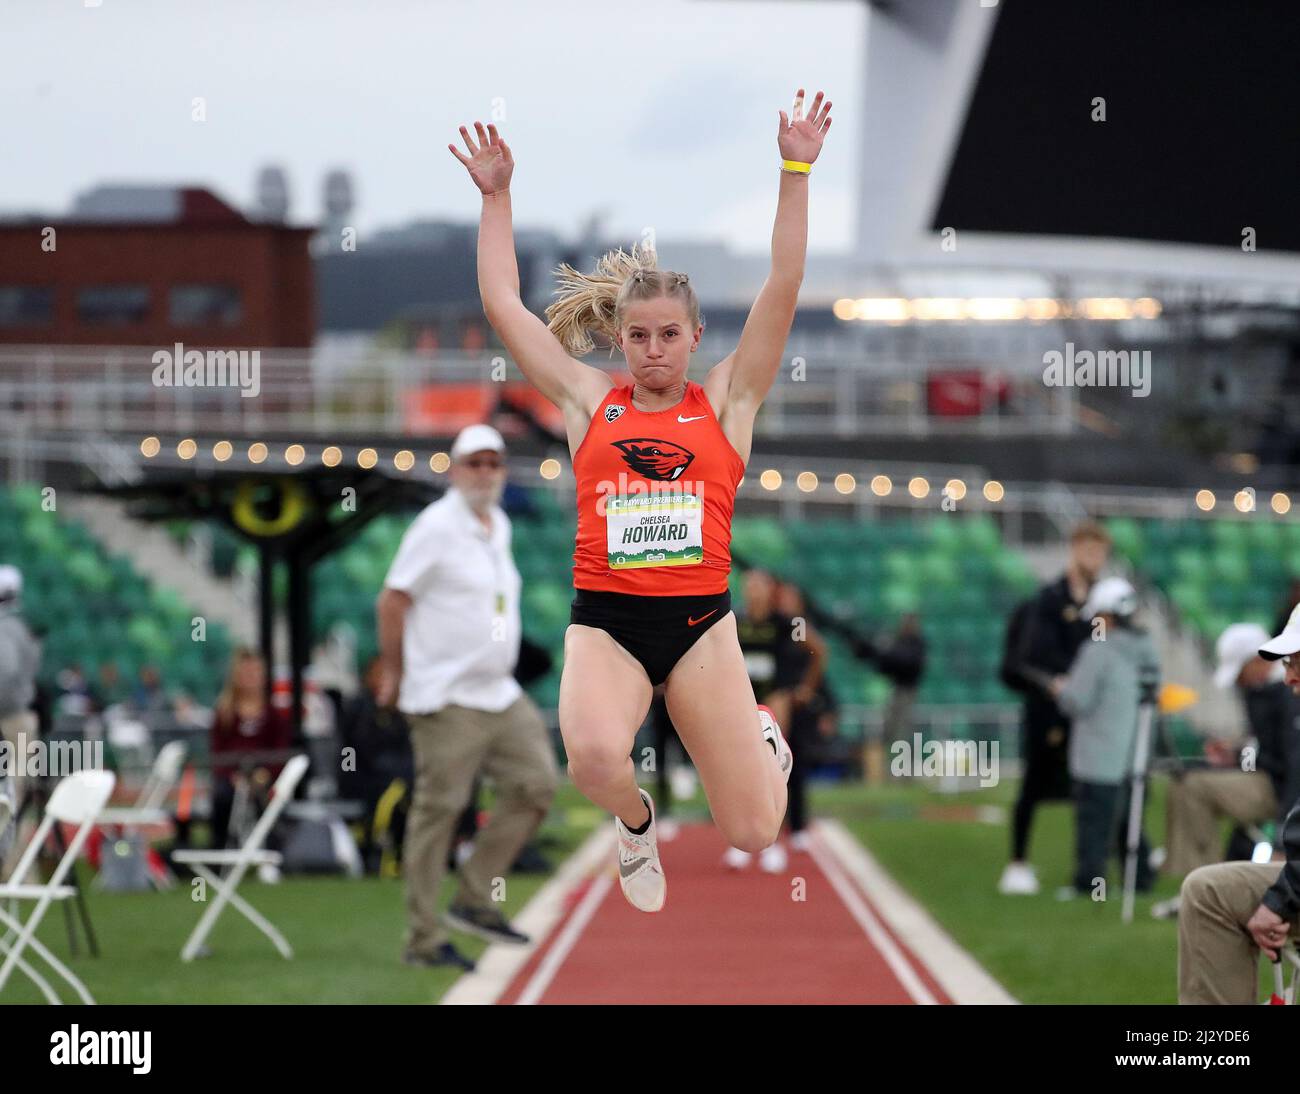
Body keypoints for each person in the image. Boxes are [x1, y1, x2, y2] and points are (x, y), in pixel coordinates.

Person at [448, 87, 832, 912]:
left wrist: (795, 170)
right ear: (619, 339)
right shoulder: (590, 401)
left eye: (669, 335)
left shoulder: (728, 403)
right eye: (638, 336)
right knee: (589, 754)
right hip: (608, 622)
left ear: (695, 337)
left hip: (701, 626)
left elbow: (786, 281)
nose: (653, 351)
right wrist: (497, 199)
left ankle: (762, 739)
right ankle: (635, 821)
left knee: (755, 832)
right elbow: (503, 306)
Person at [377, 423, 560, 970]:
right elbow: (393, 600)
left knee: (537, 785)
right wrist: (394, 672)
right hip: (447, 693)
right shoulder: (436, 526)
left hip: (497, 691)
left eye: (493, 464)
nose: (484, 473)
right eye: (474, 463)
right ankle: (423, 939)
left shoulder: (496, 523)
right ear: (455, 470)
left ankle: (476, 897)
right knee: (440, 811)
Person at [1178, 604, 1300, 1004]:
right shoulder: (1272, 699)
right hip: (1277, 795)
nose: (1289, 676)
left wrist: (1280, 897)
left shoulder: (1281, 703)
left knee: (1206, 891)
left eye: (1296, 661)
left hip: (1274, 792)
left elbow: (1288, 771)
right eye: (1286, 663)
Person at [998, 520, 1111, 895]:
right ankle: (1017, 864)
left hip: (1087, 712)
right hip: (1047, 711)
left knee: (1088, 790)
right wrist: (1054, 683)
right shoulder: (1047, 600)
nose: (1095, 559)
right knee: (1033, 785)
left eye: (1101, 552)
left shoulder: (1101, 605)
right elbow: (1027, 658)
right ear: (1075, 549)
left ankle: (1088, 872)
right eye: (1090, 550)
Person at [1162, 623, 1300, 891]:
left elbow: (1295, 765)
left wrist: (1284, 837)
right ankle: (1198, 880)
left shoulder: (1286, 696)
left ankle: (1203, 883)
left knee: (1193, 787)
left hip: (1280, 791)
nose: (1237, 680)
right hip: (1271, 782)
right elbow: (1267, 750)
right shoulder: (1263, 693)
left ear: (1256, 661)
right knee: (1185, 780)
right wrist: (1237, 754)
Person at [1048, 576, 1160, 900]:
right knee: (1130, 821)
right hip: (1134, 754)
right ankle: (1140, 879)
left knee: (1095, 825)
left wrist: (1060, 688)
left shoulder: (1096, 651)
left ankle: (1090, 884)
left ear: (1107, 615)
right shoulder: (1146, 648)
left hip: (1098, 755)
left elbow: (1076, 700)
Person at [726, 573, 825, 871]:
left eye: (760, 586)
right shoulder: (735, 621)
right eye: (750, 586)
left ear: (770, 591)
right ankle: (742, 841)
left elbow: (818, 650)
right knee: (739, 770)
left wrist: (806, 688)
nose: (754, 592)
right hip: (743, 703)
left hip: (775, 703)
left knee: (776, 769)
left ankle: (778, 839)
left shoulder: (784, 623)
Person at [208, 648, 294, 854]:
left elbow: (280, 752)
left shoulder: (274, 714)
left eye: (255, 673)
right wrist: (233, 776)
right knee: (223, 798)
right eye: (245, 673)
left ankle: (273, 855)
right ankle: (223, 852)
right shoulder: (224, 713)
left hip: (264, 777)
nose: (250, 678)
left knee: (269, 800)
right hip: (231, 779)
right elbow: (217, 753)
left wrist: (264, 775)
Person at [339, 656, 415, 875]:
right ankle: (381, 848)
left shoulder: (406, 711)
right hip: (366, 778)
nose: (385, 681)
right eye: (379, 674)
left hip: (401, 778)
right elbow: (350, 753)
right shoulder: (357, 710)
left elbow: (408, 752)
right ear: (368, 678)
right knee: (389, 794)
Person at [0, 565, 39, 881]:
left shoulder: (5, 629)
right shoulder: (20, 627)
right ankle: (21, 869)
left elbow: (6, 674)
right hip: (20, 718)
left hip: (9, 719)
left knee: (10, 795)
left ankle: (12, 868)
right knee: (17, 793)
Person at [852, 612, 926, 744]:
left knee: (901, 730)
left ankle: (901, 758)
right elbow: (886, 666)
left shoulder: (916, 643)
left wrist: (885, 652)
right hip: (896, 689)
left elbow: (907, 663)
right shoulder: (900, 641)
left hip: (907, 691)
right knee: (890, 730)